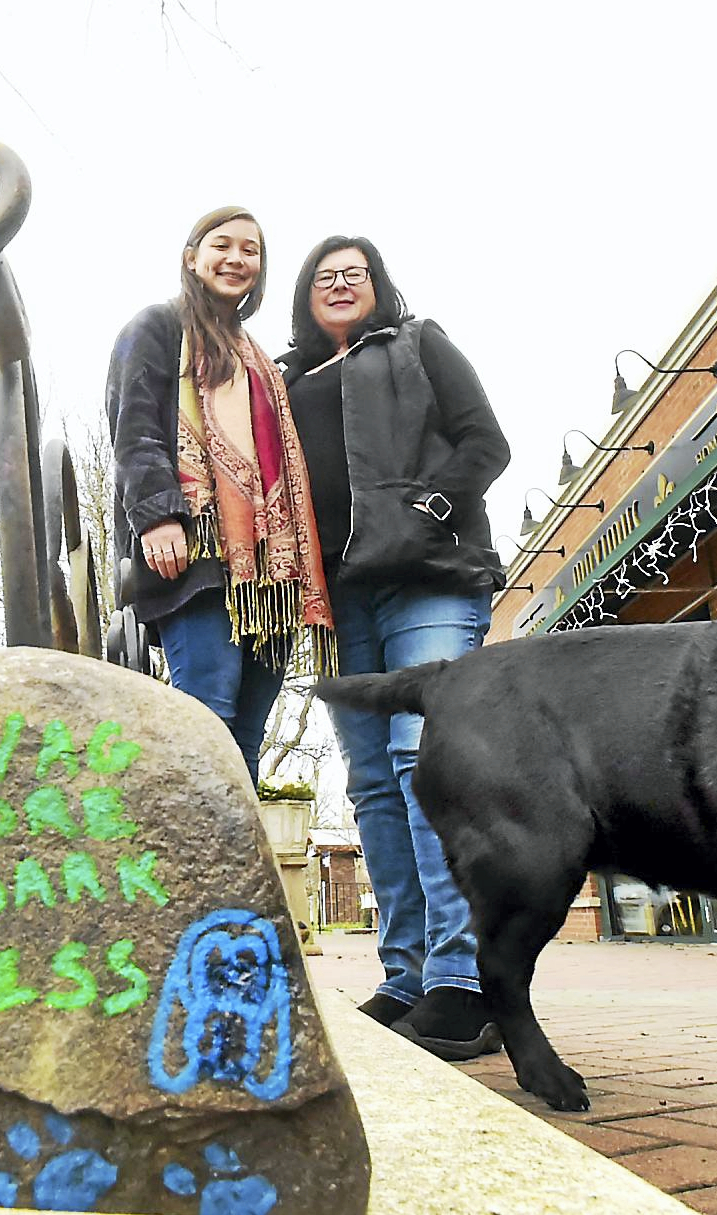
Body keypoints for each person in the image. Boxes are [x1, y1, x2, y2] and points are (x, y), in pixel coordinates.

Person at [281, 236, 510, 1060]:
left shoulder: (419, 343)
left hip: (428, 578)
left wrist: (429, 511)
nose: (340, 284)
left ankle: (462, 982)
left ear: (379, 287)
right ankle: (406, 975)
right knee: (373, 784)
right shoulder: (282, 382)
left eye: (355, 273)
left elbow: (485, 442)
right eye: (323, 276)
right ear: (305, 297)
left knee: (425, 762)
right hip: (338, 600)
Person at [105, 207, 335, 777]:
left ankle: (232, 865)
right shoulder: (156, 328)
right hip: (198, 556)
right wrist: (157, 515)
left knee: (246, 741)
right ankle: (191, 861)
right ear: (192, 257)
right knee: (207, 719)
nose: (236, 259)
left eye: (250, 250)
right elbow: (133, 428)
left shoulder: (259, 360)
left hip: (270, 576)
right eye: (222, 246)